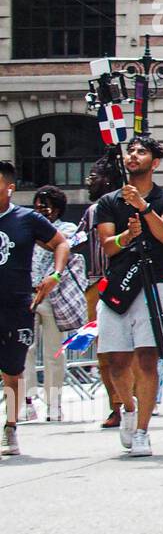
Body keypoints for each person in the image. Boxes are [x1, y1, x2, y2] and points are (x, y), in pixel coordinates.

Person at [94, 137, 163, 457]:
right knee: (116, 361)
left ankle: (143, 429)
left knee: (147, 358)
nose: (133, 156)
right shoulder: (109, 202)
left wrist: (144, 208)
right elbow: (107, 245)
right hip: (118, 285)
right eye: (130, 151)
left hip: (154, 284)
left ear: (155, 162)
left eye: (141, 152)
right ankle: (127, 409)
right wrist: (126, 235)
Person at [0, 162, 70, 456]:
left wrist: (54, 276)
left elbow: (61, 243)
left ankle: (10, 427)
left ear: (9, 188)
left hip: (16, 304)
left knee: (12, 371)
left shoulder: (26, 219)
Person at [22, 186, 80, 422]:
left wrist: (41, 230)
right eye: (37, 205)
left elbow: (64, 246)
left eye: (46, 206)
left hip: (54, 297)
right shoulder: (26, 227)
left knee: (54, 354)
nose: (41, 210)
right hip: (27, 294)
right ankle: (26, 401)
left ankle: (53, 404)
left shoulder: (67, 229)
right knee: (24, 350)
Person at [77, 155, 127, 427]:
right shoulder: (96, 211)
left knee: (114, 349)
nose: (88, 181)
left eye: (93, 176)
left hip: (112, 284)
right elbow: (76, 240)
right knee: (110, 350)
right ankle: (119, 404)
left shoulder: (109, 208)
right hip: (104, 285)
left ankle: (124, 404)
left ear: (107, 180)